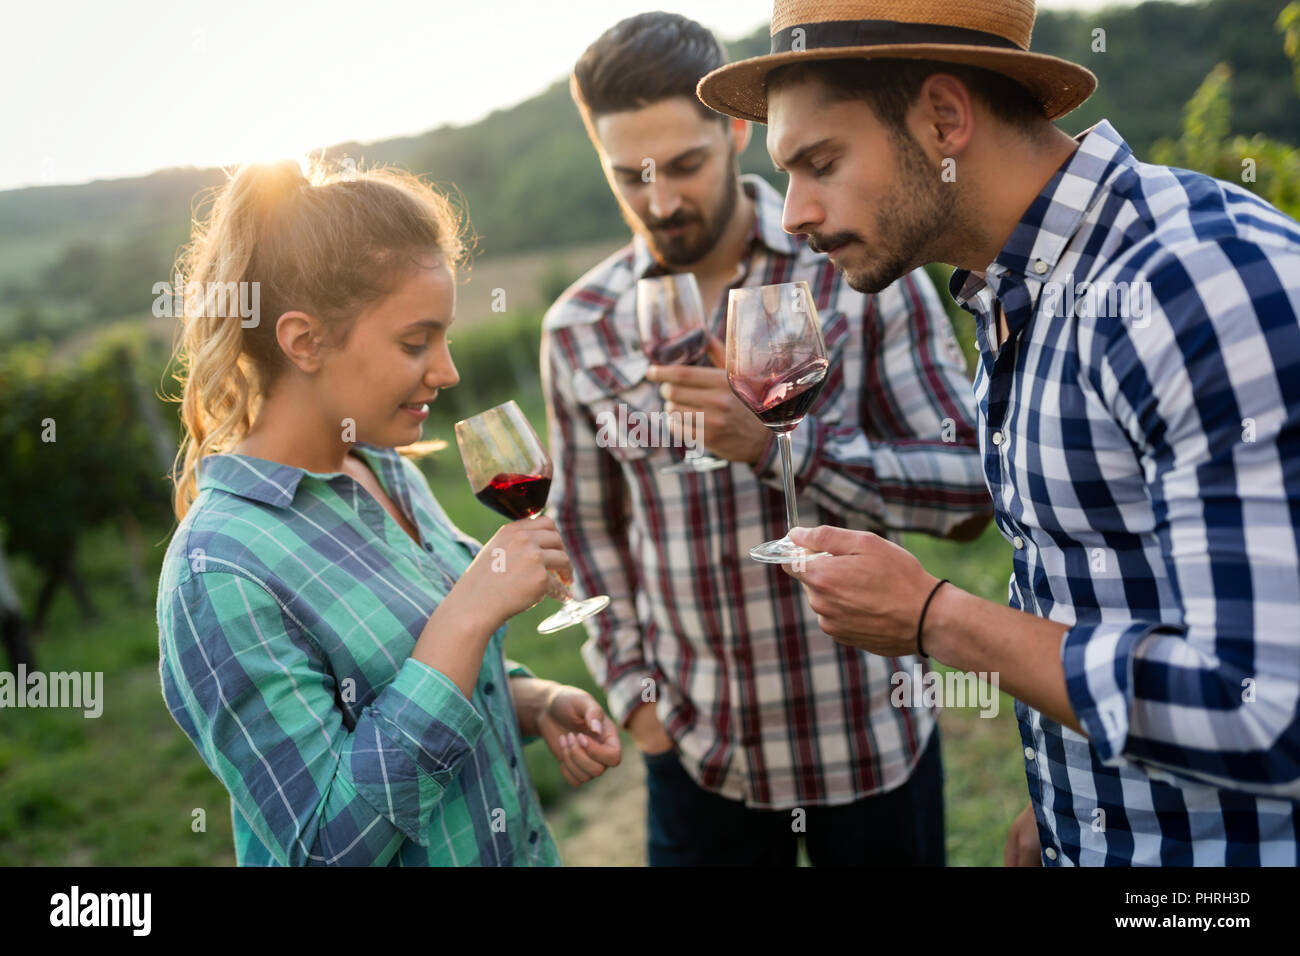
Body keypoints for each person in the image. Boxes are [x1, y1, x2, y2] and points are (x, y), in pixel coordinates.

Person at [697, 0, 1300, 865]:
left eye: (820, 161)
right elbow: (1097, 592)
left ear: (945, 117)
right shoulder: (1015, 290)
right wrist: (1065, 803)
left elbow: (1269, 710)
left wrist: (934, 618)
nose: (791, 214)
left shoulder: (1194, 284)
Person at [541, 12, 993, 867]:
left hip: (868, 745)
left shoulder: (855, 262)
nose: (661, 201)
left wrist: (783, 447)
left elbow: (970, 491)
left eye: (685, 165)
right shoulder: (578, 328)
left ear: (736, 131)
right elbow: (589, 532)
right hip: (699, 765)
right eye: (630, 177)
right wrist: (638, 701)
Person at [156, 160, 620, 866]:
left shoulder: (387, 472)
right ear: (303, 341)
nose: (447, 371)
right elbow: (325, 846)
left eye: (445, 337)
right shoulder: (219, 570)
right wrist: (468, 614)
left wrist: (536, 701)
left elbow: (415, 676)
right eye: (415, 342)